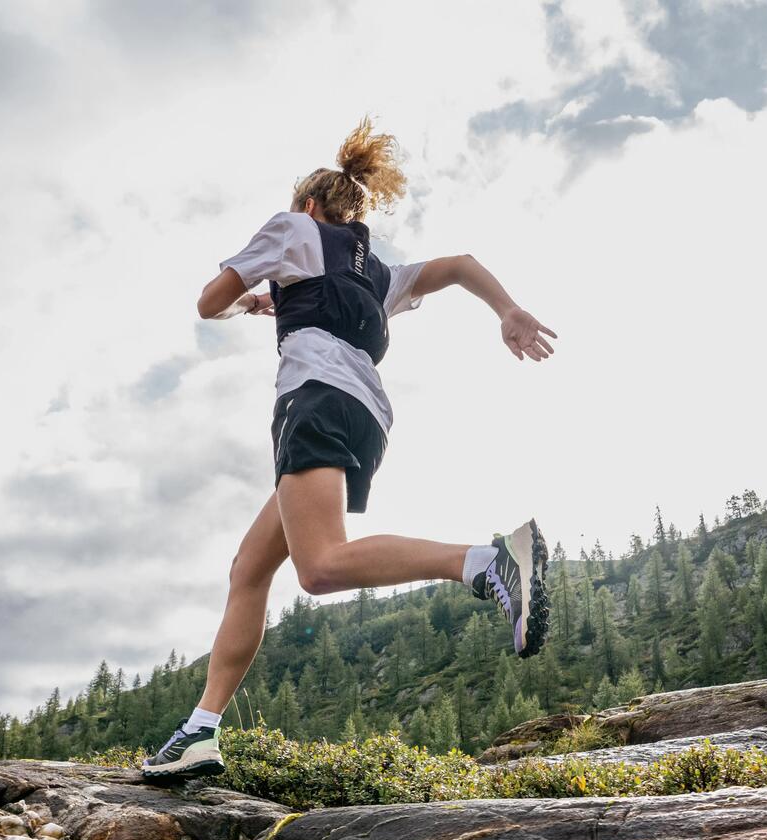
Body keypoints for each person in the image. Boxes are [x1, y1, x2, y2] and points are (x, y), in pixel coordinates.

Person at [142, 118, 559, 781]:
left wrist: (248, 297)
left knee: (321, 568)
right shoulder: (380, 275)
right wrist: (506, 309)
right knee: (250, 568)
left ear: (308, 205)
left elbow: (206, 303)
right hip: (361, 412)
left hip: (311, 400)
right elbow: (458, 267)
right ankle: (200, 731)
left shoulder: (291, 230)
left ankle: (487, 563)